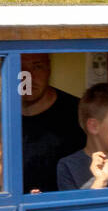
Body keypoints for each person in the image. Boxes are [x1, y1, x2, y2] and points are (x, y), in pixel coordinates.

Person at [21, 54, 86, 194]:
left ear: (49, 69)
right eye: (19, 68)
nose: (28, 77)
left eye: (37, 67)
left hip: (68, 209)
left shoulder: (81, 114)